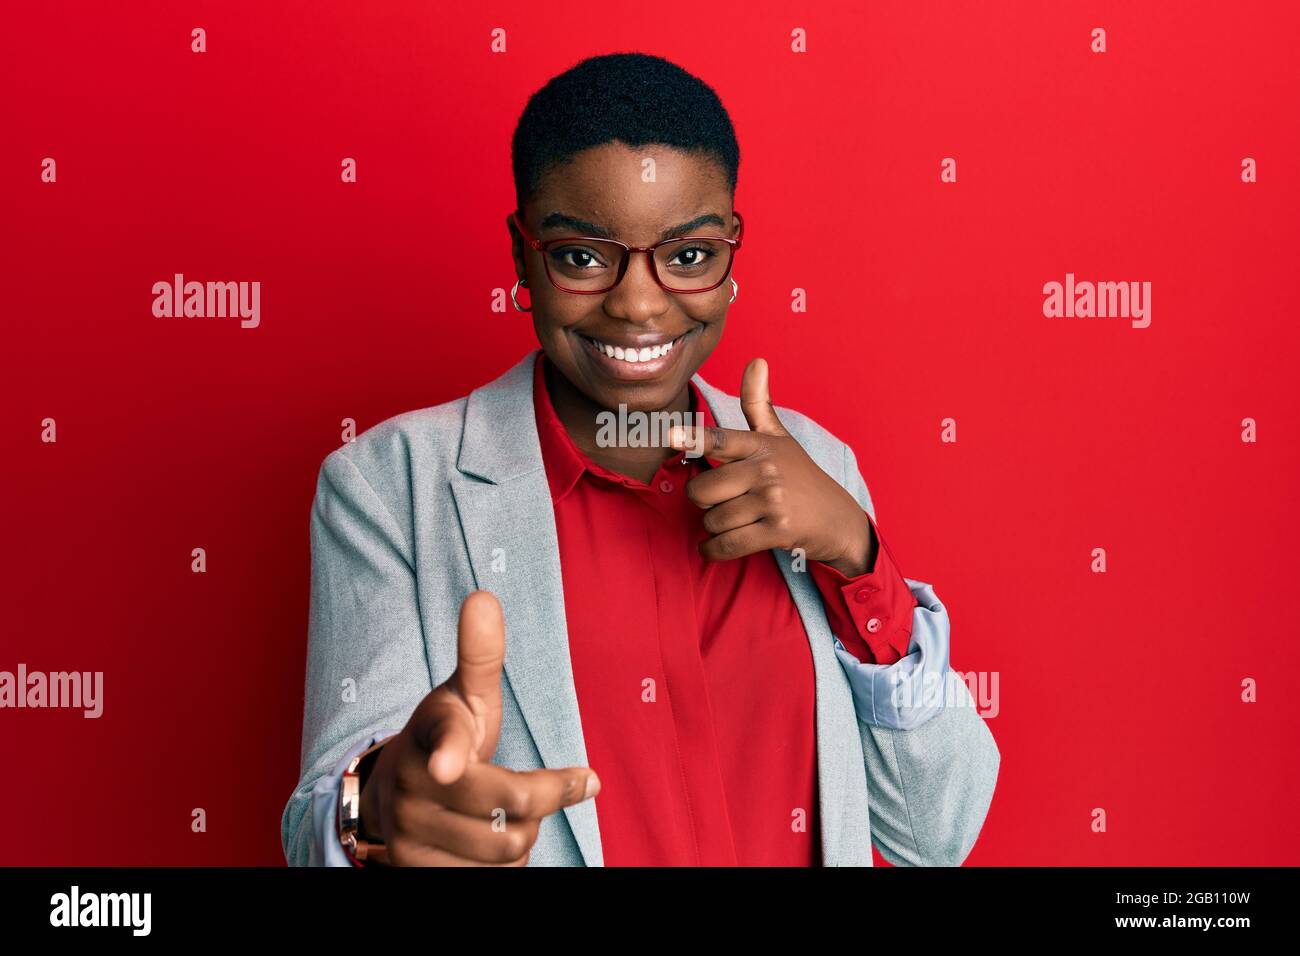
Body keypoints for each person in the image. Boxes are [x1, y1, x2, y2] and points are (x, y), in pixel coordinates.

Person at [281, 51, 999, 867]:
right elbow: (321, 825)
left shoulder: (818, 465)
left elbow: (936, 837)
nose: (639, 303)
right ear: (523, 256)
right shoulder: (386, 485)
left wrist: (858, 559)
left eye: (688, 255)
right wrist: (376, 810)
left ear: (732, 253)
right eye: (583, 256)